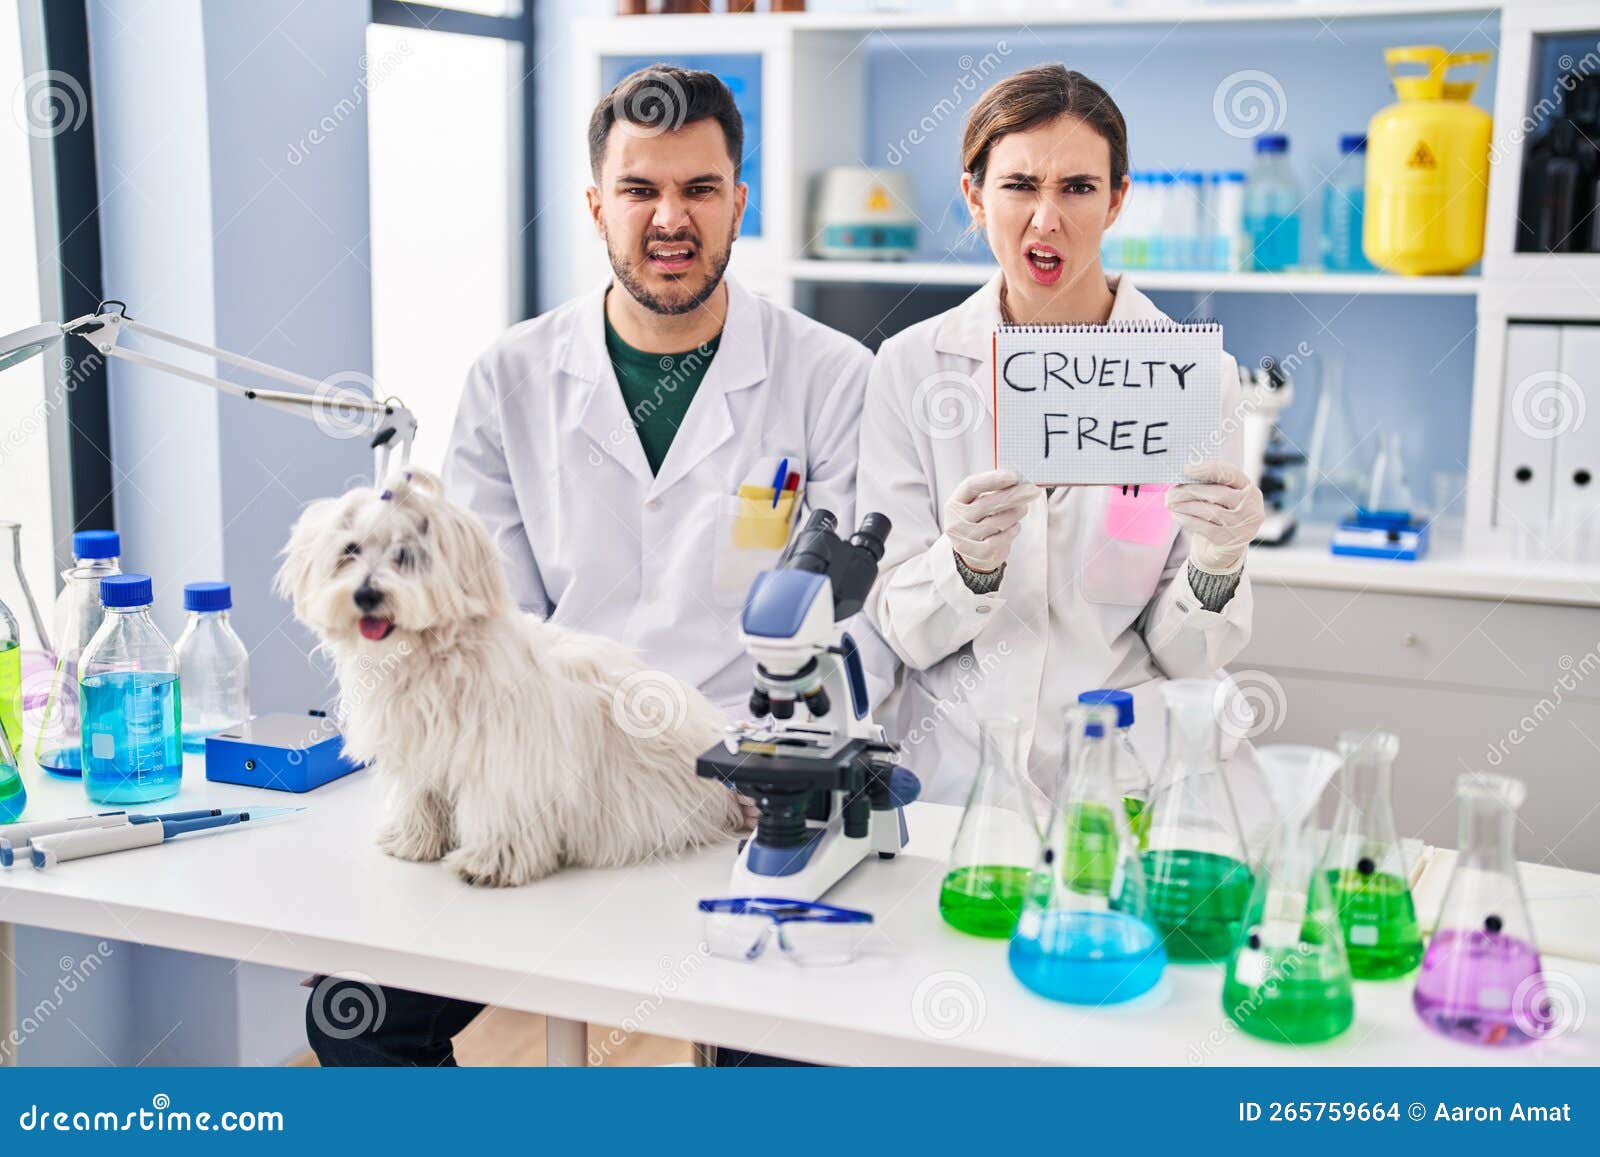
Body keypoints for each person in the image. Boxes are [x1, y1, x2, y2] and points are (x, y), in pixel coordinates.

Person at [306, 64, 880, 1068]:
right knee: (354, 1014)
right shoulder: (512, 374)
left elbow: (854, 614)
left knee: (781, 1056)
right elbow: (484, 617)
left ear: (737, 201)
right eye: (640, 189)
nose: (671, 218)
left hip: (750, 768)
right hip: (551, 756)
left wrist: (782, 763)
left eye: (700, 190)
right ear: (595, 205)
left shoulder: (829, 372)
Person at [859, 64, 1265, 804]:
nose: (1047, 218)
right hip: (958, 776)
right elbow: (900, 629)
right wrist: (967, 566)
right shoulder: (912, 369)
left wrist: (1217, 562)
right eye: (1019, 185)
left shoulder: (1191, 380)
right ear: (973, 197)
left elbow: (1188, 658)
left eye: (1078, 188)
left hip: (1129, 778)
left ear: (1116, 202)